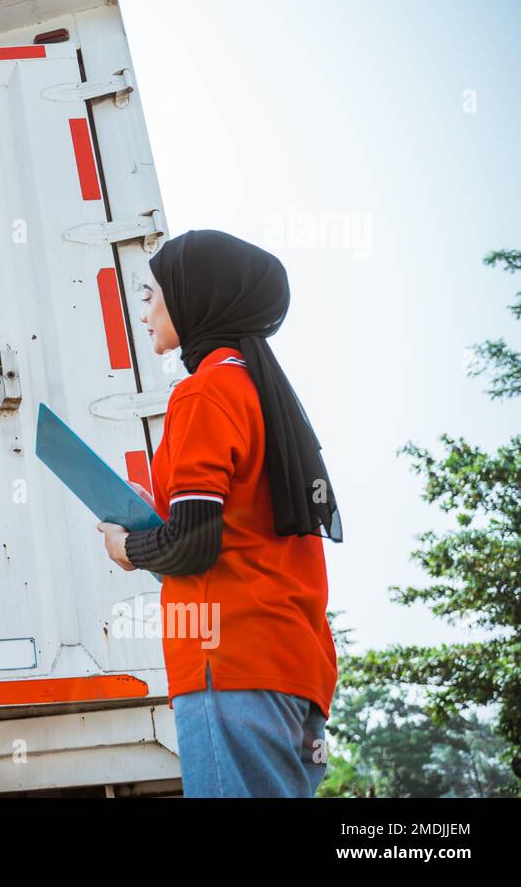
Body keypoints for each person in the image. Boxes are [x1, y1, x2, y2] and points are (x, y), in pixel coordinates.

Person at [95, 230, 341, 798]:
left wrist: (127, 548)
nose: (146, 311)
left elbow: (194, 544)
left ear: (194, 297)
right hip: (295, 672)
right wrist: (155, 517)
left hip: (230, 665)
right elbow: (226, 532)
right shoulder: (259, 390)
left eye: (152, 295)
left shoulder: (205, 392)